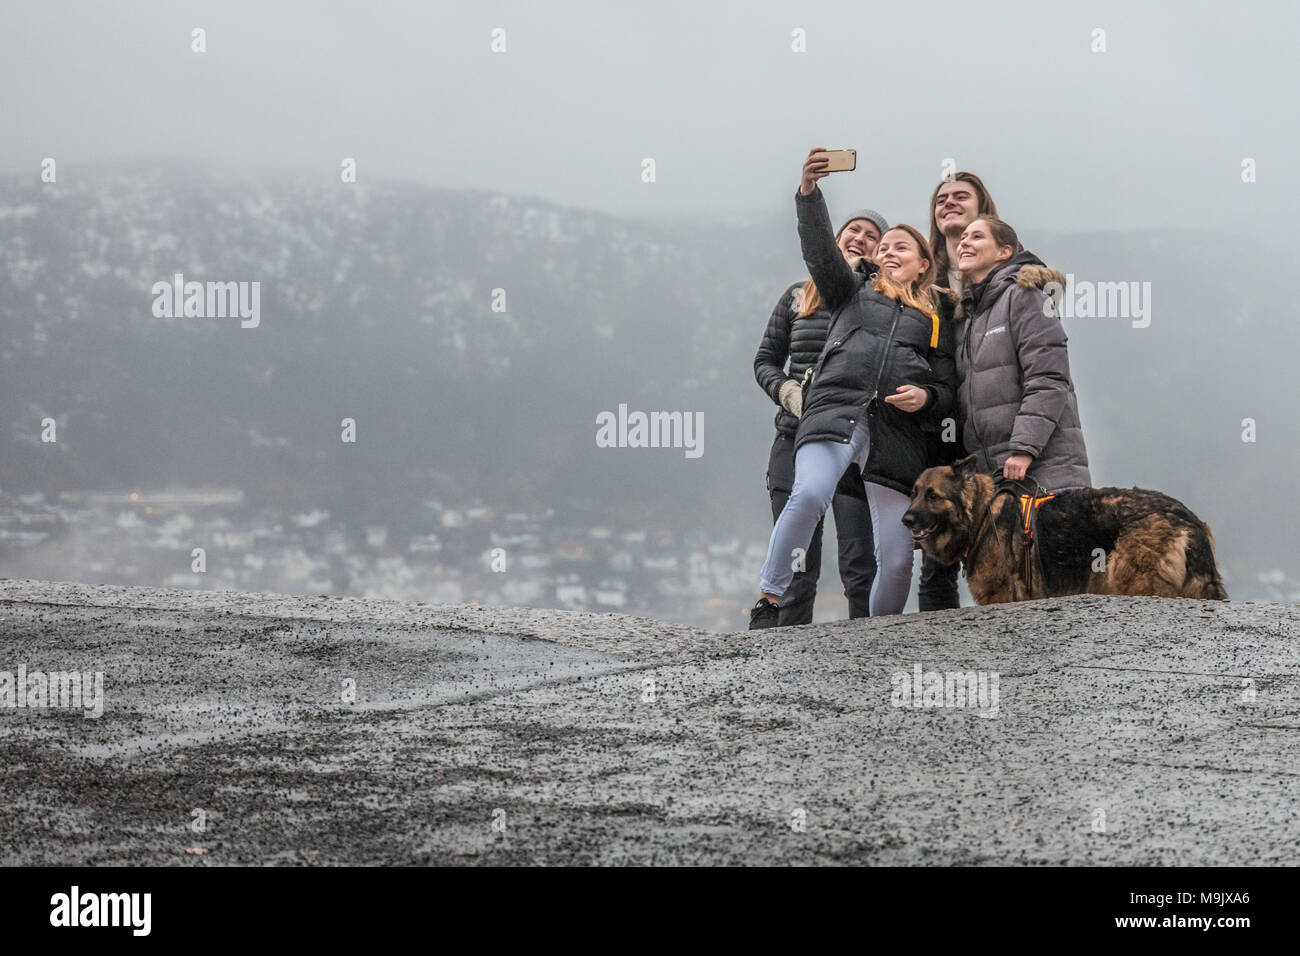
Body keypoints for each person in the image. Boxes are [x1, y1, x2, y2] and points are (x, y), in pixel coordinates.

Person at [750, 148, 956, 628]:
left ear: (924, 264)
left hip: (895, 436)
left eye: (900, 246)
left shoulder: (936, 316)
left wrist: (926, 398)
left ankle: (879, 634)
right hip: (833, 415)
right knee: (807, 496)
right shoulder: (850, 291)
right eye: (882, 248)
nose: (886, 251)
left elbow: (946, 384)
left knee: (897, 554)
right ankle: (770, 595)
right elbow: (820, 251)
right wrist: (808, 193)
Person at [753, 208, 888, 624]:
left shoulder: (882, 304)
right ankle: (783, 662)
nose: (860, 239)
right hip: (794, 438)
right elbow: (765, 361)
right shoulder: (797, 296)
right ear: (834, 239)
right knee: (798, 567)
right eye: (853, 230)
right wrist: (786, 391)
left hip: (853, 441)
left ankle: (864, 661)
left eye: (871, 236)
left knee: (859, 565)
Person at [952, 216, 1091, 491]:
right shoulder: (966, 316)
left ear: (1004, 252)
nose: (964, 242)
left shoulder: (1025, 296)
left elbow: (1048, 378)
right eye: (963, 237)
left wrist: (1024, 449)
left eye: (977, 236)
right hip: (998, 475)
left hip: (1045, 468)